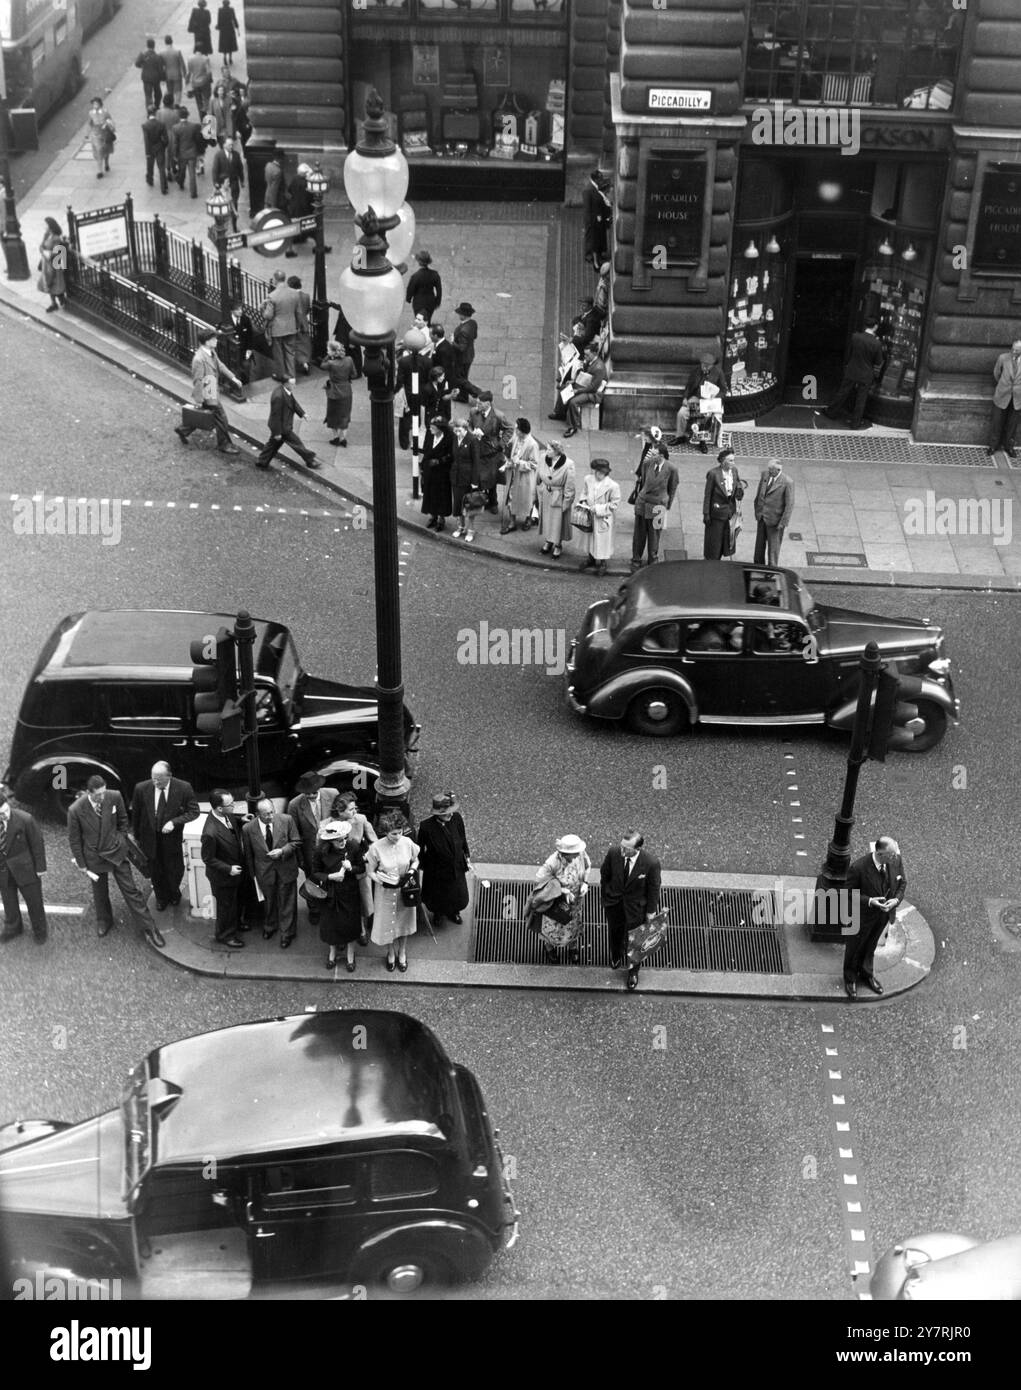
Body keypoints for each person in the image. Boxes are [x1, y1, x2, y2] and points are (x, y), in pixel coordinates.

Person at [67, 776, 164, 948]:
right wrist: (82, 864)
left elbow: (123, 820)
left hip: (116, 850)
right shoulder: (75, 810)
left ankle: (149, 928)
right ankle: (104, 921)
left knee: (131, 890)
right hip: (94, 856)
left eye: (104, 792)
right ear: (89, 793)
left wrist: (119, 838)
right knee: (100, 892)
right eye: (98, 795)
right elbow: (74, 840)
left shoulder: (114, 796)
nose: (103, 797)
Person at [129, 761, 200, 912]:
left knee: (174, 868)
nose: (155, 782)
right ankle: (161, 898)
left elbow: (194, 811)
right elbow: (136, 815)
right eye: (153, 778)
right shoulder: (141, 788)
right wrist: (137, 837)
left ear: (169, 776)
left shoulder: (183, 787)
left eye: (159, 779)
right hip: (150, 837)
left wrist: (174, 822)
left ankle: (174, 892)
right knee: (156, 870)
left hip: (171, 838)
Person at [843, 836, 906, 1000]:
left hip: (882, 915)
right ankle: (850, 979)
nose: (895, 857)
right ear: (879, 853)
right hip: (862, 916)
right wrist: (870, 901)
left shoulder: (895, 860)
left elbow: (902, 883)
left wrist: (896, 900)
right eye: (891, 855)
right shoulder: (858, 868)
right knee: (855, 947)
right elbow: (848, 892)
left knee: (870, 946)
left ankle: (866, 974)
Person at [600, 830, 661, 990]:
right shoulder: (614, 853)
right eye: (622, 846)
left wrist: (650, 911)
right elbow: (605, 875)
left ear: (638, 849)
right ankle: (616, 956)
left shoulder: (650, 863)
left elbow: (654, 888)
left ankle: (633, 971)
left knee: (636, 940)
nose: (622, 851)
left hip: (636, 909)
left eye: (626, 848)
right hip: (615, 904)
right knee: (614, 932)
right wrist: (606, 896)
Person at [365, 810, 419, 973]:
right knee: (388, 923)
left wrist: (410, 873)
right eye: (393, 834)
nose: (397, 837)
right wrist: (381, 881)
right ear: (385, 832)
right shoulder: (376, 848)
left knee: (404, 922)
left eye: (400, 832)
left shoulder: (407, 842)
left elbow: (415, 860)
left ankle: (402, 952)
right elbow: (370, 872)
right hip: (385, 893)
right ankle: (390, 953)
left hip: (405, 890)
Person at [242, 797, 301, 947]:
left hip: (286, 868)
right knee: (269, 902)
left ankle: (287, 933)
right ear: (257, 814)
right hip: (264, 872)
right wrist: (253, 875)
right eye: (266, 814)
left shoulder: (287, 820)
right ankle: (270, 926)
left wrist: (282, 851)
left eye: (272, 812)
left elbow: (296, 842)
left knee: (287, 902)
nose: (270, 816)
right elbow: (249, 854)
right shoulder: (248, 829)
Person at [175, 327, 243, 453]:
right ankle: (224, 445)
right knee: (222, 418)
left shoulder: (211, 352)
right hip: (208, 393)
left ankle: (183, 429)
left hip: (211, 389)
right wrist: (199, 400)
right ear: (207, 342)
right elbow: (198, 381)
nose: (216, 340)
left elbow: (220, 365)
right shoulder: (199, 359)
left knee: (206, 415)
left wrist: (233, 378)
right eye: (214, 339)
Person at [286, 772, 338, 928]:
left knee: (333, 879)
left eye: (314, 793)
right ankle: (314, 909)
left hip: (332, 849)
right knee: (313, 880)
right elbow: (294, 834)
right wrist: (300, 858)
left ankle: (331, 907)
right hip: (310, 853)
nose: (310, 796)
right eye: (307, 793)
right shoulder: (294, 805)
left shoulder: (333, 794)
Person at [530, 834, 591, 965]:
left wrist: (585, 882)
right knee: (552, 928)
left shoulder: (580, 854)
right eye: (573, 854)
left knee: (573, 925)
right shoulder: (552, 863)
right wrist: (562, 890)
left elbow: (587, 866)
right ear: (564, 853)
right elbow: (540, 881)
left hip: (574, 902)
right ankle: (549, 948)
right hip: (556, 903)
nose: (576, 857)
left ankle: (572, 947)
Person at [313, 820, 365, 972]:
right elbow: (315, 873)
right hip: (330, 892)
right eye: (339, 840)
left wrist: (351, 868)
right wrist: (330, 877)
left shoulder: (353, 846)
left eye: (345, 838)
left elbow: (361, 868)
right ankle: (332, 952)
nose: (343, 842)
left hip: (349, 892)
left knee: (350, 923)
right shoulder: (320, 851)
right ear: (329, 841)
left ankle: (350, 954)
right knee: (331, 924)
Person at [0, 786, 49, 945]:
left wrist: (41, 867)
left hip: (26, 870)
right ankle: (13, 928)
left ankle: (40, 931)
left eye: (5, 811)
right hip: (4, 870)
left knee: (34, 902)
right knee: (9, 902)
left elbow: (37, 844)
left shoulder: (25, 819)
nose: (4, 815)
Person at [198, 789, 245, 947]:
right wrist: (228, 869)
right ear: (219, 808)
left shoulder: (226, 814)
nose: (234, 806)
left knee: (235, 902)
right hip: (223, 877)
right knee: (226, 907)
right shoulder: (210, 832)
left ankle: (236, 925)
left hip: (234, 872)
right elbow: (208, 858)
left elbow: (231, 821)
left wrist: (241, 819)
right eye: (231, 804)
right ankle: (225, 935)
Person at [417, 792, 471, 929]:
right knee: (438, 895)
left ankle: (454, 912)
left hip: (456, 866)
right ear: (437, 813)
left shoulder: (457, 818)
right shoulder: (426, 827)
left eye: (451, 812)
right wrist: (425, 866)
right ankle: (438, 913)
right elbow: (420, 849)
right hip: (436, 869)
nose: (450, 815)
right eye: (447, 813)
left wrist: (467, 856)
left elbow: (462, 838)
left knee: (456, 893)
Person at [819, 318, 884, 429]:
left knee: (843, 392)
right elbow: (878, 361)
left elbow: (850, 352)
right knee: (861, 399)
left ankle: (831, 412)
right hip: (866, 374)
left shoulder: (855, 337)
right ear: (875, 326)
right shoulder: (876, 343)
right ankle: (855, 423)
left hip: (852, 370)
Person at [330, 791, 376, 938]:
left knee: (363, 900)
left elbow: (374, 842)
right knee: (345, 903)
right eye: (351, 809)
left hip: (360, 869)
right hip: (340, 871)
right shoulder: (329, 824)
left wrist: (366, 856)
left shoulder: (361, 819)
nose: (355, 812)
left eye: (355, 808)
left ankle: (362, 929)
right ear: (339, 810)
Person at [631, 441, 678, 570]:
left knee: (654, 534)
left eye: (654, 454)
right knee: (639, 534)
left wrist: (667, 504)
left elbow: (672, 488)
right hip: (643, 502)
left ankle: (653, 559)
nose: (651, 456)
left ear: (662, 456)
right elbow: (644, 482)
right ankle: (636, 559)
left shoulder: (671, 469)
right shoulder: (647, 464)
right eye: (651, 453)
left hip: (658, 506)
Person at [257, 375, 319, 470]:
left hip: (283, 425)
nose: (295, 385)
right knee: (297, 443)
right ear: (285, 384)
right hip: (282, 427)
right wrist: (277, 432)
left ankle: (262, 461)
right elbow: (275, 416)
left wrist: (302, 414)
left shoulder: (286, 390)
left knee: (273, 445)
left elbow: (293, 402)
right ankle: (310, 460)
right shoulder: (278, 397)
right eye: (292, 384)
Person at [468, 389, 511, 513]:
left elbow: (509, 429)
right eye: (477, 403)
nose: (478, 405)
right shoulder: (474, 412)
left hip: (492, 452)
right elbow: (469, 424)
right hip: (477, 449)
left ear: (488, 403)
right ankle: (482, 500)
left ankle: (493, 502)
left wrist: (500, 444)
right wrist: (472, 433)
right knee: (479, 477)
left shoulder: (498, 416)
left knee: (492, 478)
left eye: (480, 403)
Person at [576, 457, 620, 578]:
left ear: (606, 472)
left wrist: (598, 509)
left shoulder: (613, 486)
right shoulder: (588, 479)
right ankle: (590, 559)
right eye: (596, 471)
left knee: (603, 542)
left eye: (600, 472)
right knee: (589, 538)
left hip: (603, 518)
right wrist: (583, 502)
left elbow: (614, 505)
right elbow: (584, 493)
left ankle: (602, 563)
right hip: (590, 516)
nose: (597, 474)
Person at [675, 352, 728, 451]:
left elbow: (724, 390)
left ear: (712, 366)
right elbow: (688, 386)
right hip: (695, 398)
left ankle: (702, 442)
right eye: (703, 365)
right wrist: (685, 398)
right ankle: (680, 437)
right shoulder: (696, 371)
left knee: (704, 417)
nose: (705, 367)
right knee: (681, 413)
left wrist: (715, 396)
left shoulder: (718, 373)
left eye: (707, 366)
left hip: (709, 401)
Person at [261, 268, 306, 381]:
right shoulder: (294, 293)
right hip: (291, 327)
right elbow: (299, 312)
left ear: (275, 280)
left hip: (277, 329)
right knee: (290, 351)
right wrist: (298, 325)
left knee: (278, 353)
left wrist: (262, 307)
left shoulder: (272, 296)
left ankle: (281, 375)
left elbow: (268, 316)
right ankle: (292, 376)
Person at [703, 447, 746, 561]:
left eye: (733, 460)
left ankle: (721, 557)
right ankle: (712, 561)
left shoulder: (734, 471)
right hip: (716, 513)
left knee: (727, 539)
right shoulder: (713, 474)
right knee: (715, 541)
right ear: (723, 461)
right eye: (730, 460)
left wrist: (739, 490)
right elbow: (708, 495)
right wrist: (706, 514)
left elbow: (737, 485)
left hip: (730, 512)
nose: (733, 463)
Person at [537, 439, 576, 559]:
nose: (546, 451)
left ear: (556, 452)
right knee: (548, 520)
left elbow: (570, 486)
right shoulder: (543, 457)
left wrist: (567, 503)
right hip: (546, 494)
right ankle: (549, 540)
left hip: (559, 496)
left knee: (558, 522)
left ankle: (558, 544)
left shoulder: (568, 464)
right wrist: (538, 490)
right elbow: (538, 474)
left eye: (549, 449)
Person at [753, 459, 795, 566]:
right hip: (762, 516)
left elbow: (789, 504)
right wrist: (757, 510)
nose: (769, 471)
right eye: (769, 469)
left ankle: (772, 568)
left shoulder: (787, 482)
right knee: (759, 544)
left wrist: (783, 522)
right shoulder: (765, 475)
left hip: (775, 520)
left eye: (771, 469)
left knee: (773, 547)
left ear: (778, 470)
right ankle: (758, 564)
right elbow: (759, 493)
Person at [503, 417, 540, 532]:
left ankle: (528, 519)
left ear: (521, 431)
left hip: (525, 477)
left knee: (527, 499)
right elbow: (511, 453)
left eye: (516, 428)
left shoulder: (532, 444)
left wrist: (520, 463)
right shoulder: (516, 438)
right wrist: (508, 461)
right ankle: (512, 521)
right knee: (511, 497)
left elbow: (534, 464)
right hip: (513, 474)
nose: (515, 430)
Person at [987, 337, 1021, 459]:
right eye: (1013, 349)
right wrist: (1003, 384)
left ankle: (1009, 446)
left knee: (1012, 424)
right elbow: (996, 373)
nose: (1014, 352)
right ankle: (992, 445)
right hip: (1002, 394)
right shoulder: (1003, 358)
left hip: (1017, 397)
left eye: (1017, 350)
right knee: (997, 422)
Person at [449, 417, 482, 540]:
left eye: (459, 431)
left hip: (468, 479)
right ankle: (460, 527)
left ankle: (470, 531)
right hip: (456, 477)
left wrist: (474, 481)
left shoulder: (472, 440)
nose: (457, 433)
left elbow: (476, 462)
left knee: (469, 506)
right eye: (455, 431)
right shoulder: (454, 438)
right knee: (458, 504)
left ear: (465, 429)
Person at [564, 348, 607, 438]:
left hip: (594, 394)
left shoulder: (599, 368)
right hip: (586, 386)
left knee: (573, 402)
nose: (585, 357)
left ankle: (573, 427)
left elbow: (593, 388)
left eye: (587, 355)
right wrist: (574, 381)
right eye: (585, 354)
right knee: (565, 389)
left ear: (594, 354)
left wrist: (578, 391)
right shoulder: (590, 361)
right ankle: (563, 414)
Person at [421, 416, 453, 531]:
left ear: (440, 428)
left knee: (441, 495)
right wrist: (423, 466)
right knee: (430, 493)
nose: (430, 429)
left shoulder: (449, 438)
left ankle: (441, 519)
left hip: (442, 472)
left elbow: (451, 455)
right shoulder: (429, 435)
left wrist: (439, 461)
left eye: (433, 427)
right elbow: (425, 449)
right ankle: (433, 516)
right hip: (430, 470)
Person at [321, 340, 356, 447]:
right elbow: (354, 374)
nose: (327, 351)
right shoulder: (349, 360)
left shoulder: (330, 364)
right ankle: (343, 438)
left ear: (333, 351)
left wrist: (328, 356)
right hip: (346, 390)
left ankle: (336, 437)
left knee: (332, 415)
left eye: (328, 349)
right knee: (345, 415)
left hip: (334, 392)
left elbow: (322, 365)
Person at [210, 135, 244, 229]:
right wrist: (216, 183)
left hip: (234, 183)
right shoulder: (218, 155)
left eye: (232, 145)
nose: (231, 147)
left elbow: (240, 168)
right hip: (223, 184)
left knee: (234, 203)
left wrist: (242, 180)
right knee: (224, 205)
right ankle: (223, 225)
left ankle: (234, 225)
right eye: (229, 145)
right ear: (224, 145)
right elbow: (215, 170)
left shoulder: (236, 155)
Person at [170, 105, 204, 196]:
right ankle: (193, 192)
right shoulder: (193, 126)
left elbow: (175, 143)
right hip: (192, 152)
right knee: (192, 173)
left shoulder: (175, 128)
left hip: (182, 153)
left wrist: (175, 154)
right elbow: (197, 139)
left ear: (179, 116)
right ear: (187, 116)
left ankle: (181, 183)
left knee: (182, 171)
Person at [583, 167, 612, 270]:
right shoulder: (588, 190)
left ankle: (598, 254)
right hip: (592, 220)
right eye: (599, 179)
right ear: (595, 179)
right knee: (592, 238)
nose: (601, 180)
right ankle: (589, 256)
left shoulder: (596, 187)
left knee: (598, 238)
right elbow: (587, 208)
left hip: (598, 219)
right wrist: (590, 221)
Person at [38, 217, 67, 313]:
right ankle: (53, 303)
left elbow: (56, 252)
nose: (44, 226)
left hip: (54, 264)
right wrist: (43, 250)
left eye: (45, 224)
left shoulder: (56, 238)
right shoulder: (47, 235)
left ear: (50, 226)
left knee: (55, 283)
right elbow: (41, 246)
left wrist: (46, 252)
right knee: (48, 284)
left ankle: (61, 300)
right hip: (46, 263)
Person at [452, 301, 479, 401]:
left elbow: (461, 348)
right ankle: (463, 396)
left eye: (460, 313)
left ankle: (477, 392)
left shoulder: (463, 330)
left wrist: (453, 342)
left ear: (463, 315)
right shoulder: (473, 323)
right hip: (470, 354)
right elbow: (475, 336)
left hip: (462, 358)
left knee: (460, 378)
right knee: (463, 376)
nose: (458, 315)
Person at [406, 250, 442, 322]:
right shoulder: (435, 274)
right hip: (430, 302)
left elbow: (410, 290)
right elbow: (439, 290)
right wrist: (437, 302)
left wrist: (408, 299)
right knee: (428, 319)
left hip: (418, 303)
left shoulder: (415, 276)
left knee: (419, 322)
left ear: (419, 262)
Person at [141, 105, 170, 194]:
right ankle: (163, 187)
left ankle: (150, 180)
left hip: (150, 148)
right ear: (155, 113)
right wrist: (163, 146)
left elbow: (146, 140)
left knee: (150, 166)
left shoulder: (145, 125)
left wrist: (147, 152)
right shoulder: (161, 124)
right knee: (161, 167)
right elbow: (166, 139)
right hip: (159, 147)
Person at [134, 38, 165, 112]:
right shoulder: (158, 57)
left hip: (146, 78)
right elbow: (160, 69)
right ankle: (156, 106)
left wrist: (142, 66)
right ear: (154, 46)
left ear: (147, 46)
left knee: (148, 95)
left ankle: (150, 111)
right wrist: (163, 78)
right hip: (155, 79)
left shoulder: (143, 55)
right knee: (158, 94)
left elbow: (136, 64)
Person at [87, 97, 115, 178]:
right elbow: (90, 123)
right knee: (99, 150)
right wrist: (88, 133)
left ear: (100, 104)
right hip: (96, 134)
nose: (95, 105)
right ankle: (100, 171)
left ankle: (106, 163)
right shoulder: (90, 113)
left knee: (106, 149)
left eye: (96, 103)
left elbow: (110, 120)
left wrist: (107, 124)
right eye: (93, 104)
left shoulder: (105, 112)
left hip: (105, 133)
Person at [185, 47, 213, 119]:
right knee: (207, 101)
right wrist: (209, 79)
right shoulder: (205, 59)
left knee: (199, 102)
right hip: (204, 83)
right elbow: (209, 72)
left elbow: (188, 73)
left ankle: (202, 117)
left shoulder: (190, 59)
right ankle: (206, 116)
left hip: (195, 83)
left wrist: (187, 83)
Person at [162, 35, 187, 106]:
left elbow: (161, 66)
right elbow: (182, 65)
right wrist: (185, 76)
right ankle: (177, 105)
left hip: (168, 75)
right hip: (177, 75)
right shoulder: (177, 52)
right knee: (178, 92)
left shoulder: (162, 53)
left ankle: (169, 104)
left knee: (169, 91)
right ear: (172, 41)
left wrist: (162, 77)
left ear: (165, 42)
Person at [216, 1, 239, 66]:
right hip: (230, 28)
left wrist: (218, 26)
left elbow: (219, 19)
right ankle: (230, 58)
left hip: (223, 29)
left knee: (224, 44)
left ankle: (224, 57)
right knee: (230, 44)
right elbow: (234, 18)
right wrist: (237, 26)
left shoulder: (220, 10)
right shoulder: (231, 9)